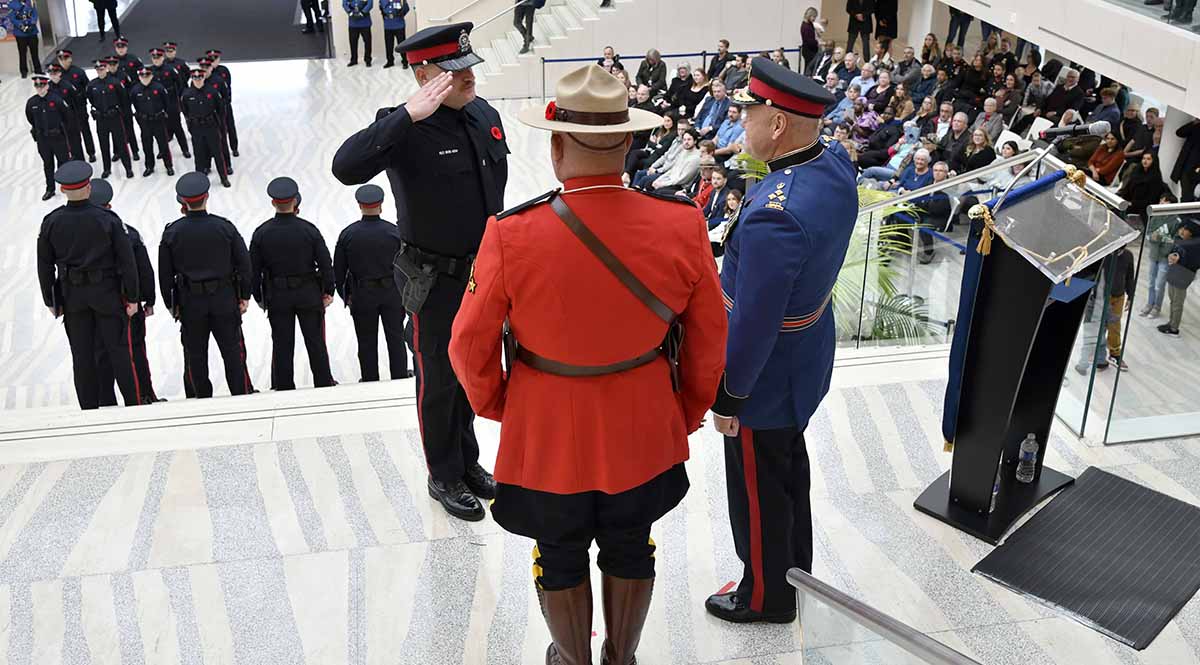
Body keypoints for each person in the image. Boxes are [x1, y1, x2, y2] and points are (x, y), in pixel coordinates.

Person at [448, 64, 727, 665]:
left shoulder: (510, 234)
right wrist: (683, 411)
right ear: (627, 143)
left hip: (546, 423)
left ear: (555, 148)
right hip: (644, 420)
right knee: (631, 544)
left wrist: (500, 404)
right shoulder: (681, 223)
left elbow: (467, 345)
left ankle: (572, 658)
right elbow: (709, 339)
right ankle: (621, 658)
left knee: (558, 550)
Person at [333, 23, 508, 521]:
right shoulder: (403, 128)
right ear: (424, 75)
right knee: (438, 378)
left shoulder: (484, 115)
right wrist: (407, 115)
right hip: (433, 280)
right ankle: (443, 474)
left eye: (469, 67)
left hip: (481, 274)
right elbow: (346, 167)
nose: (468, 76)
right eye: (454, 71)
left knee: (471, 371)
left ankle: (468, 461)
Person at [707, 56, 857, 624]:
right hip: (806, 352)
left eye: (748, 113)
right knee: (787, 469)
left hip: (765, 376)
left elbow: (754, 321)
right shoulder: (832, 162)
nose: (740, 120)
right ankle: (795, 570)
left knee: (757, 488)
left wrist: (730, 396)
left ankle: (766, 596)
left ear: (777, 124)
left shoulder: (777, 214)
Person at [36, 161, 141, 410]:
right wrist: (133, 297)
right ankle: (133, 405)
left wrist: (51, 300)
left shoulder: (51, 222)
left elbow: (44, 265)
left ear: (62, 190)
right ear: (89, 188)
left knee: (82, 357)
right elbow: (127, 262)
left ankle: (89, 410)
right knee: (119, 352)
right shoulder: (108, 219)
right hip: (107, 294)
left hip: (73, 297)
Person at [160, 172, 254, 398]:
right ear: (207, 196)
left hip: (191, 301)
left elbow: (165, 276)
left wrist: (172, 305)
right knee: (233, 352)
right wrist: (244, 295)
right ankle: (240, 395)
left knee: (195, 355)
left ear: (183, 202)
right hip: (224, 298)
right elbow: (244, 264)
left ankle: (201, 399)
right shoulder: (225, 227)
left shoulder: (172, 232)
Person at [250, 177, 336, 391]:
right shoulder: (309, 230)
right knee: (315, 341)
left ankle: (284, 385)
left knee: (282, 343)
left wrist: (258, 297)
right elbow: (325, 263)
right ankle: (323, 382)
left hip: (278, 295)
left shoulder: (262, 233)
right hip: (308, 293)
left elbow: (254, 270)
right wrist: (328, 290)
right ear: (295, 201)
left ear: (273, 203)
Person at [89, 178, 163, 405]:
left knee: (101, 352)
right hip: (125, 302)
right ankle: (143, 395)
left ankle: (106, 401)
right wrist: (148, 299)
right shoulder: (128, 233)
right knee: (135, 350)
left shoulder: (79, 234)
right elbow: (143, 268)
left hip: (93, 303)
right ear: (109, 206)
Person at [334, 184, 410, 382]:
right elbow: (406, 265)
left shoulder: (348, 234)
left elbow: (339, 271)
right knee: (396, 337)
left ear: (360, 205)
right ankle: (400, 374)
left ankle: (369, 377)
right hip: (392, 292)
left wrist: (346, 296)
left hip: (362, 293)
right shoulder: (394, 232)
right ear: (381, 204)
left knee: (366, 340)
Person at [180, 67, 231, 187]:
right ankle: (199, 180)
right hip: (196, 128)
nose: (198, 80)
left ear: (204, 77)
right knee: (198, 154)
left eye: (200, 77)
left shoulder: (212, 92)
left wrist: (218, 124)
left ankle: (223, 178)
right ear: (192, 79)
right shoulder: (186, 94)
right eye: (195, 78)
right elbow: (185, 111)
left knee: (218, 153)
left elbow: (220, 109)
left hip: (211, 127)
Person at [27, 75, 74, 201]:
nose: (40, 89)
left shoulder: (56, 100)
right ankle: (50, 188)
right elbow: (30, 118)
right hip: (43, 139)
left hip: (57, 137)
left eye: (42, 85)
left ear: (47, 85)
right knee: (47, 164)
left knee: (63, 162)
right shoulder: (32, 102)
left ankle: (66, 185)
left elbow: (67, 116)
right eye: (37, 86)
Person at [85, 61, 135, 180]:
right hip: (101, 119)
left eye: (102, 68)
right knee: (104, 145)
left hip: (115, 118)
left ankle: (128, 168)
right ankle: (106, 168)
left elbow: (123, 98)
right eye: (98, 69)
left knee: (121, 144)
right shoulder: (92, 85)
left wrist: (118, 111)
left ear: (106, 68)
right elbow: (90, 99)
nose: (100, 71)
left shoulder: (115, 82)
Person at [130, 67, 175, 177]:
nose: (145, 78)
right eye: (142, 76)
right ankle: (149, 166)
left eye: (147, 75)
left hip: (158, 121)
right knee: (147, 146)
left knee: (163, 144)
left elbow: (166, 103)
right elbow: (135, 105)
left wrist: (162, 115)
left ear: (151, 76)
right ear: (139, 77)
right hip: (145, 122)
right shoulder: (135, 90)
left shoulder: (159, 88)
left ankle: (168, 166)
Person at [1141, 192, 1180, 319]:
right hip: (1153, 254)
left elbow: (1175, 240)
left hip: (1165, 257)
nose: (1161, 203)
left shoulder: (1176, 220)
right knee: (1151, 283)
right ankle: (1149, 304)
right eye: (1161, 201)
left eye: (1165, 201)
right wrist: (1153, 237)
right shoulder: (1156, 216)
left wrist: (1160, 238)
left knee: (1160, 285)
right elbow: (1148, 233)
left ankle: (1157, 307)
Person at [56, 50, 97, 163]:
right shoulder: (57, 74)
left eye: (65, 58)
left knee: (85, 130)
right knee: (71, 134)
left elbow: (88, 87)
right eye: (61, 59)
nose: (63, 61)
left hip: (79, 107)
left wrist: (82, 97)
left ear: (70, 58)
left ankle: (91, 152)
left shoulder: (78, 72)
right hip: (66, 110)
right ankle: (76, 154)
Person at [1160, 221, 1200, 336]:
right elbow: (1172, 252)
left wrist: (1179, 259)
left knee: (1177, 303)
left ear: (1191, 232)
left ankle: (1174, 329)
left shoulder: (1196, 245)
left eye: (1185, 229)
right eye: (1181, 229)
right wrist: (1171, 256)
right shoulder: (1180, 240)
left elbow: (1194, 263)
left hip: (1183, 276)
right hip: (1174, 273)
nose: (1181, 231)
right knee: (1173, 300)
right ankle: (1171, 323)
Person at [1104, 243, 1136, 370]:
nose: (1117, 254)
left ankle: (1115, 354)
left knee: (1115, 325)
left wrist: (1130, 296)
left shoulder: (1128, 255)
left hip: (1118, 296)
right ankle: (1097, 354)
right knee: (1100, 325)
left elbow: (1130, 277)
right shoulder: (1105, 254)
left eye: (1120, 252)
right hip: (1102, 295)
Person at [1119, 152, 1166, 219]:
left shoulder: (1155, 178)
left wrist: (1133, 204)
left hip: (1144, 210)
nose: (1145, 161)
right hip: (1130, 204)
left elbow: (1152, 199)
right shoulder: (1137, 172)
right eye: (1143, 158)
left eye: (1148, 159)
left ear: (1153, 161)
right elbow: (1128, 189)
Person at [9, 0, 41, 78]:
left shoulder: (30, 2)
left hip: (32, 32)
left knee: (35, 52)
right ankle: (23, 72)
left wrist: (32, 23)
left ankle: (38, 70)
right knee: (22, 53)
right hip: (20, 34)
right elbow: (12, 18)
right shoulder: (12, 4)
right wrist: (21, 26)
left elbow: (34, 13)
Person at [1172, 118, 1200, 202]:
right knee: (1186, 195)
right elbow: (1179, 132)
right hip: (1186, 166)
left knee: (1195, 195)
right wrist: (1194, 122)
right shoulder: (1196, 125)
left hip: (1197, 168)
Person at [380, 0, 410, 68]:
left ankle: (404, 61)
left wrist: (401, 14)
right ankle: (390, 61)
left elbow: (406, 8)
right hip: (388, 25)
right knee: (388, 45)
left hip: (399, 24)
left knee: (402, 44)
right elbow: (381, 9)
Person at [345, 0, 374, 66]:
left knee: (367, 42)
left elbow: (370, 4)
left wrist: (362, 13)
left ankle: (368, 60)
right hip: (353, 22)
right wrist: (350, 12)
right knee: (353, 42)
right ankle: (354, 60)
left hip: (365, 22)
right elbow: (344, 4)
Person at [801, 8, 820, 74]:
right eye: (813, 17)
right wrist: (818, 43)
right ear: (809, 15)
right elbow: (809, 41)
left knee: (810, 68)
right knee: (808, 68)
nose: (814, 19)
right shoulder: (805, 26)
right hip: (808, 51)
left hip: (810, 49)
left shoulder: (810, 24)